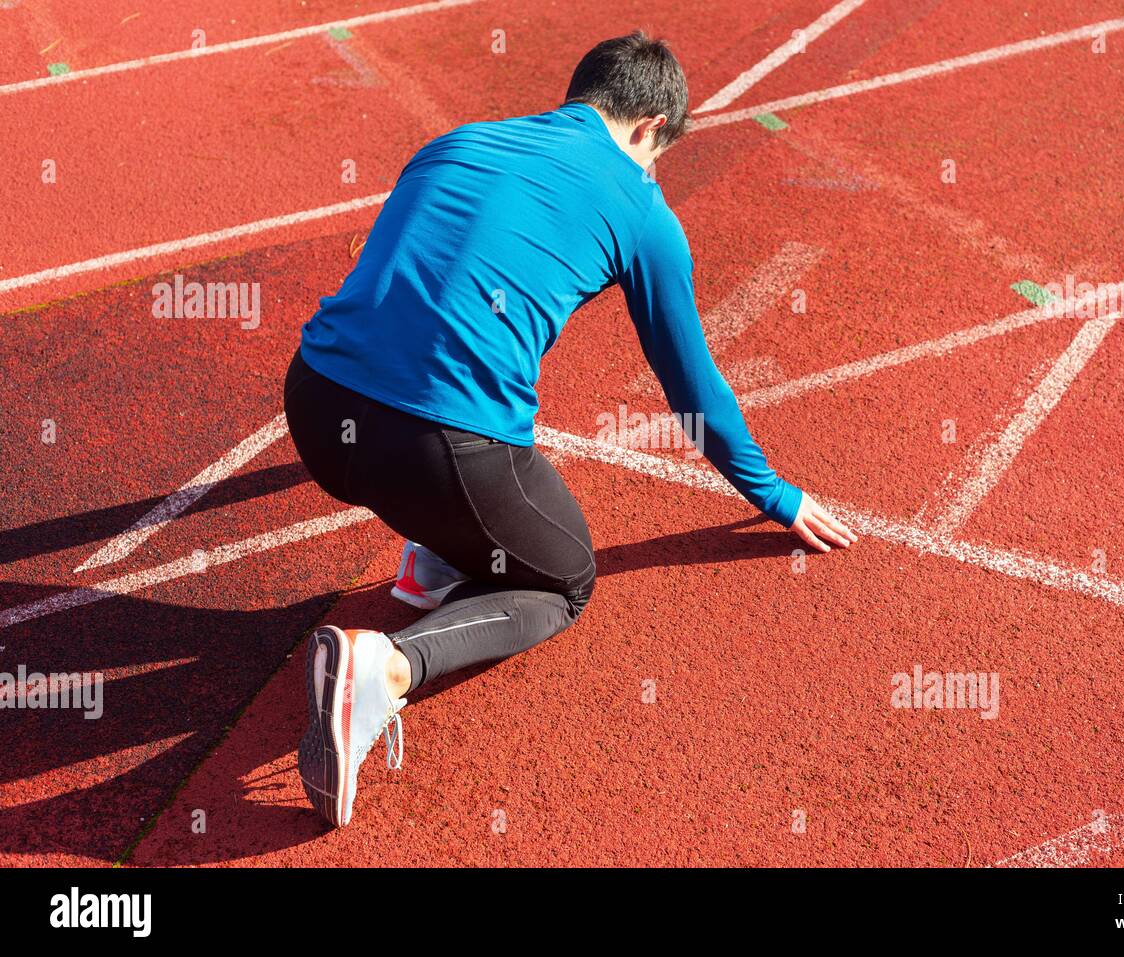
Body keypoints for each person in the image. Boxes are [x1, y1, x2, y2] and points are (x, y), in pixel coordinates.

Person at [284, 32, 856, 828]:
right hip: (436, 448)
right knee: (563, 580)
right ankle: (386, 668)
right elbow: (692, 389)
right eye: (661, 155)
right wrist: (774, 493)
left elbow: (401, 282)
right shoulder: (643, 212)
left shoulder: (461, 141)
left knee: (441, 462)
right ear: (652, 127)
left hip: (314, 408)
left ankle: (439, 557)